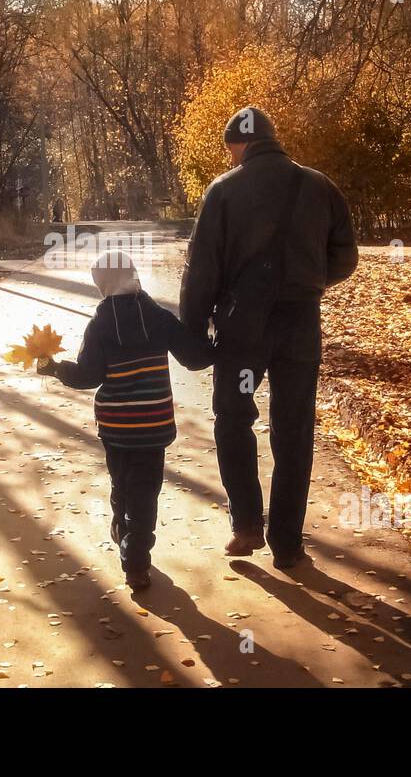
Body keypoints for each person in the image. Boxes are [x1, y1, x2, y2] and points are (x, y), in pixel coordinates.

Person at [179, 106, 358, 570]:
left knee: (235, 418)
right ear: (272, 139)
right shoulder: (320, 186)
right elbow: (346, 257)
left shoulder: (223, 190)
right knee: (294, 430)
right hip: (300, 324)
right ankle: (287, 542)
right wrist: (308, 282)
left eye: (230, 150)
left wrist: (194, 336)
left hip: (244, 330)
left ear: (238, 145)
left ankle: (245, 525)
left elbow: (202, 271)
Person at [38, 249, 213, 590]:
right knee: (145, 492)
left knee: (122, 483)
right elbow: (193, 357)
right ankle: (136, 558)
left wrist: (55, 368)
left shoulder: (100, 324)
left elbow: (89, 376)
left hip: (117, 428)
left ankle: (127, 541)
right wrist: (217, 344)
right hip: (152, 425)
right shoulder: (157, 317)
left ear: (102, 285)